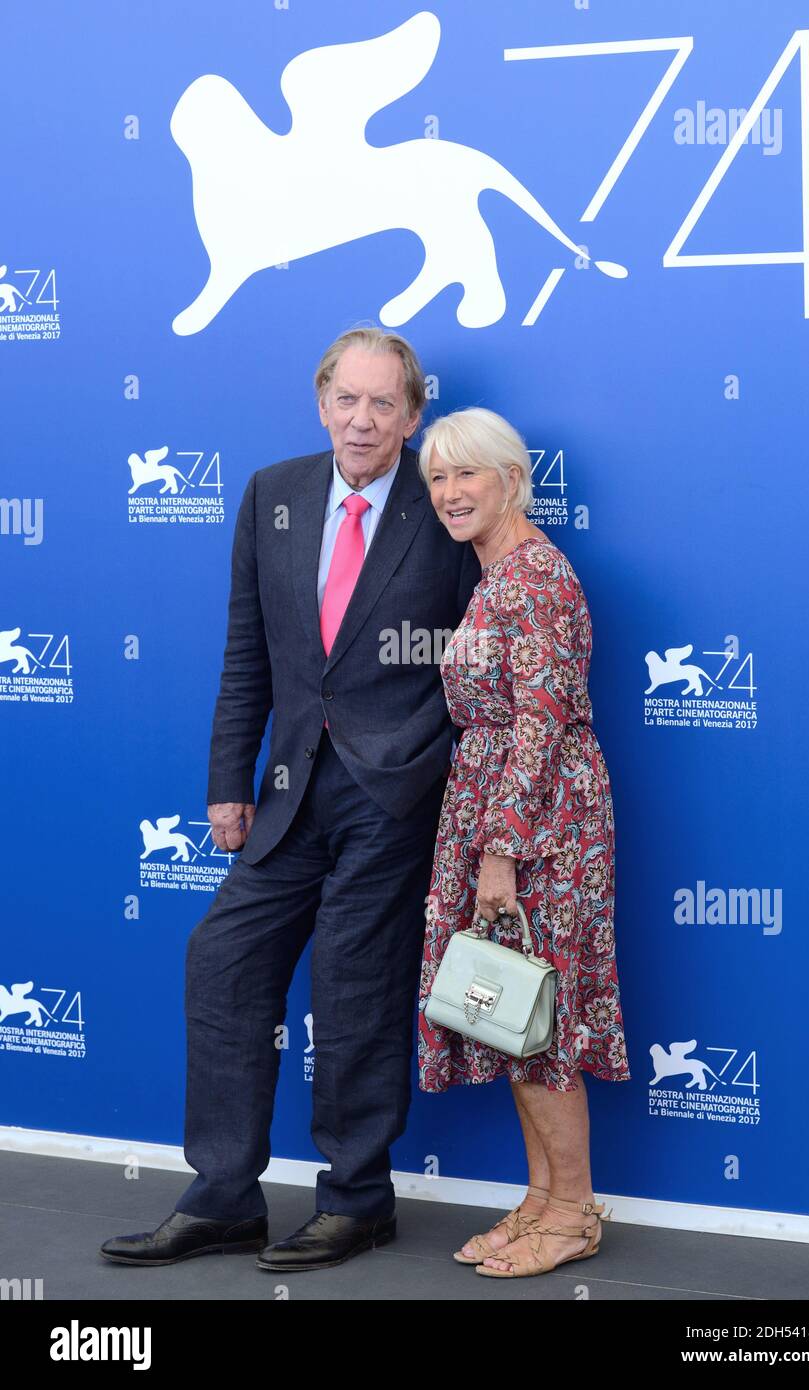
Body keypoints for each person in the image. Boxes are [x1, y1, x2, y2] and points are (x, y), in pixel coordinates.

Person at [100, 328, 480, 1272]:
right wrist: (228, 785)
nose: (362, 420)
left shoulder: (444, 503)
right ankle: (224, 1197)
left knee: (356, 989)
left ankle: (357, 1200)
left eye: (383, 403)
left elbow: (486, 657)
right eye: (347, 399)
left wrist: (439, 766)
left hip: (393, 794)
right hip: (286, 790)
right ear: (321, 403)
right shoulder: (274, 493)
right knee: (221, 962)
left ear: (413, 414)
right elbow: (248, 654)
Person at [416, 407, 630, 1278]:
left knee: (540, 1018)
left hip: (539, 824)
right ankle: (542, 1199)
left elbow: (540, 723)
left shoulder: (535, 575)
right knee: (510, 1008)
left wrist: (499, 849)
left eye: (467, 473)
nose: (451, 492)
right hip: (502, 807)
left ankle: (573, 1213)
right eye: (437, 477)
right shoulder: (498, 572)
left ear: (512, 479)